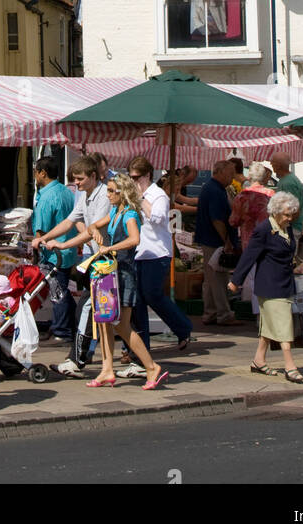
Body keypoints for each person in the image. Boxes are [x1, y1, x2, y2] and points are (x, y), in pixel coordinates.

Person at [85, 174, 168, 390]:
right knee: (103, 321)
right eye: (108, 190)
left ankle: (151, 366)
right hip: (111, 273)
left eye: (112, 191)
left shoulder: (130, 214)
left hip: (124, 275)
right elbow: (93, 225)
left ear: (123, 192)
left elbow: (134, 240)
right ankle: (107, 369)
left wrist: (109, 248)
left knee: (121, 325)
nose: (108, 195)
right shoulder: (115, 211)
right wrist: (95, 232)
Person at [32, 154, 109, 378]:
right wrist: (45, 237)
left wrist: (62, 243)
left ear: (93, 176)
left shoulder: (104, 196)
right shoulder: (83, 196)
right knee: (105, 315)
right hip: (98, 261)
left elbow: (89, 231)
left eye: (80, 179)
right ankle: (91, 360)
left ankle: (79, 360)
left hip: (107, 261)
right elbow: (69, 222)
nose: (76, 183)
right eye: (74, 179)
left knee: (91, 311)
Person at [229, 191, 303, 384]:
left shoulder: (286, 227)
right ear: (275, 212)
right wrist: (236, 280)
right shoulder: (264, 229)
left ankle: (259, 360)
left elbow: (286, 254)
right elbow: (249, 256)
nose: (289, 218)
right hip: (270, 285)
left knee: (268, 326)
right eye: (286, 214)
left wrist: (297, 266)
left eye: (291, 214)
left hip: (284, 282)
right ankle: (290, 367)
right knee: (284, 325)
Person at [129, 156, 192, 354]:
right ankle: (138, 347)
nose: (134, 181)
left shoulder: (158, 196)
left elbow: (157, 218)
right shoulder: (136, 193)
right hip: (138, 252)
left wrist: (140, 199)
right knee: (137, 300)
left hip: (156, 252)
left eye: (137, 177)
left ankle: (183, 327)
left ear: (147, 175)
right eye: (131, 177)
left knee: (152, 295)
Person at [32, 156, 77, 341]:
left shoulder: (47, 197)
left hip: (54, 253)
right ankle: (71, 322)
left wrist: (36, 247)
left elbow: (41, 230)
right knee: (62, 289)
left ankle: (62, 330)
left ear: (43, 173)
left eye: (36, 172)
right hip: (68, 249)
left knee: (57, 292)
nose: (35, 176)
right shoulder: (66, 192)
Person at [194, 160, 241, 327]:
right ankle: (223, 314)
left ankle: (211, 313)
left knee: (211, 279)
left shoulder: (212, 188)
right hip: (214, 241)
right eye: (230, 173)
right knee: (218, 279)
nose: (232, 177)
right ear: (220, 172)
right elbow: (217, 219)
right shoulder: (214, 190)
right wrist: (226, 240)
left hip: (209, 239)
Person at [229, 163, 275, 250]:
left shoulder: (242, 197)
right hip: (268, 240)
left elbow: (234, 221)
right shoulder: (271, 194)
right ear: (264, 177)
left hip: (249, 241)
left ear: (249, 177)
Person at [270, 155, 303, 237]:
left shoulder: (288, 183)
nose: (271, 165)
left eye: (272, 164)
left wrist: (280, 225)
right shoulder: (286, 179)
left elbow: (294, 210)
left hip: (290, 229)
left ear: (278, 166)